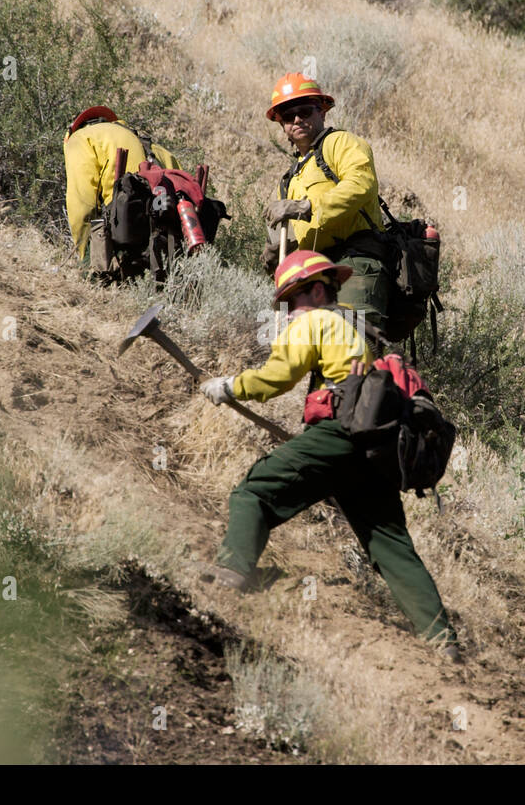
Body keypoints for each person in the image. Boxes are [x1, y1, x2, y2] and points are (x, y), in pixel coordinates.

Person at [198, 250, 459, 659]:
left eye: (292, 302)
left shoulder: (317, 320)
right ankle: (442, 641)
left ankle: (231, 573)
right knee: (391, 544)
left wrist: (231, 385)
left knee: (254, 491)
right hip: (374, 450)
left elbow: (277, 377)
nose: (287, 313)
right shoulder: (355, 329)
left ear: (317, 291)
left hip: (340, 434)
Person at [261, 74, 394, 346]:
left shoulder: (341, 143)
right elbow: (294, 236)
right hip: (315, 276)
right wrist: (276, 254)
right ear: (282, 125)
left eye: (304, 111)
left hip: (356, 260)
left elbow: (361, 184)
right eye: (288, 116)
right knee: (317, 355)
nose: (297, 119)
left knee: (355, 345)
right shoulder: (289, 180)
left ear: (321, 111)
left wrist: (306, 206)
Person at [62, 106, 181, 274]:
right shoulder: (154, 148)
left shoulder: (81, 138)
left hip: (123, 226)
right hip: (164, 229)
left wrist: (84, 255)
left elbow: (83, 202)